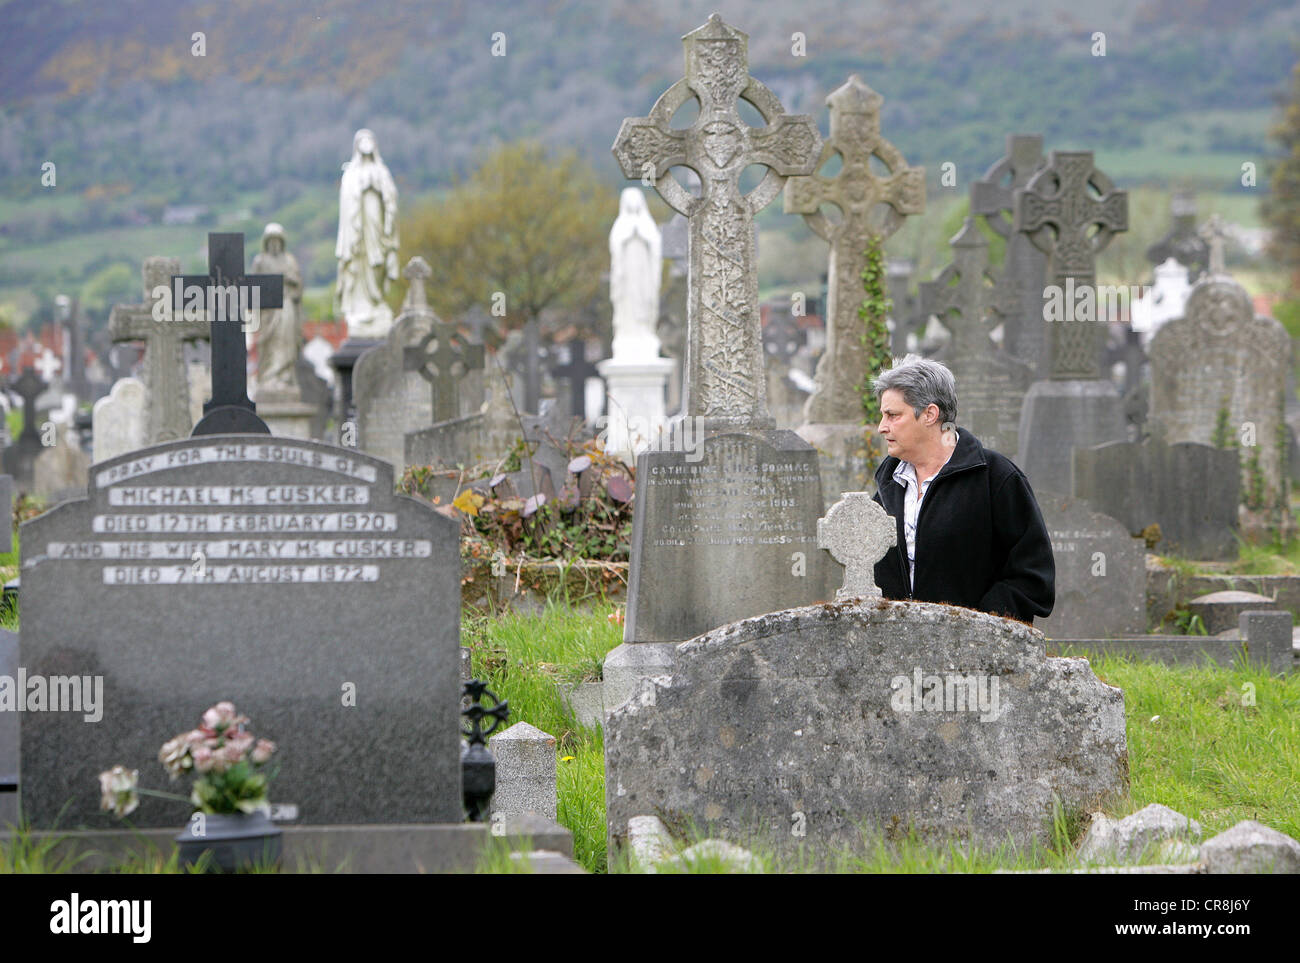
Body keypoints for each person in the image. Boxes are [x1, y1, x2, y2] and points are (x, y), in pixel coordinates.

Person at [870, 355, 1054, 625]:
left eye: (893, 415)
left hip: (973, 653)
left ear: (930, 415)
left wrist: (980, 625)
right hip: (900, 650)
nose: (882, 426)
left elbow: (1032, 577)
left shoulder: (997, 478)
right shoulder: (889, 483)